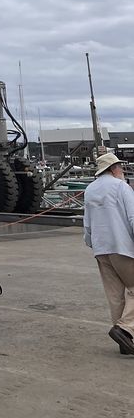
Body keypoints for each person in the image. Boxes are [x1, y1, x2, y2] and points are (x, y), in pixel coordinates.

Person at [83, 151, 134, 355]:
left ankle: (125, 342)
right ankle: (125, 328)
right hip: (122, 246)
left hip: (101, 248)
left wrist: (92, 243)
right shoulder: (120, 186)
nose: (122, 170)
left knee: (115, 295)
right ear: (113, 169)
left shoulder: (90, 189)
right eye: (120, 167)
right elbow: (133, 217)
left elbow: (87, 225)